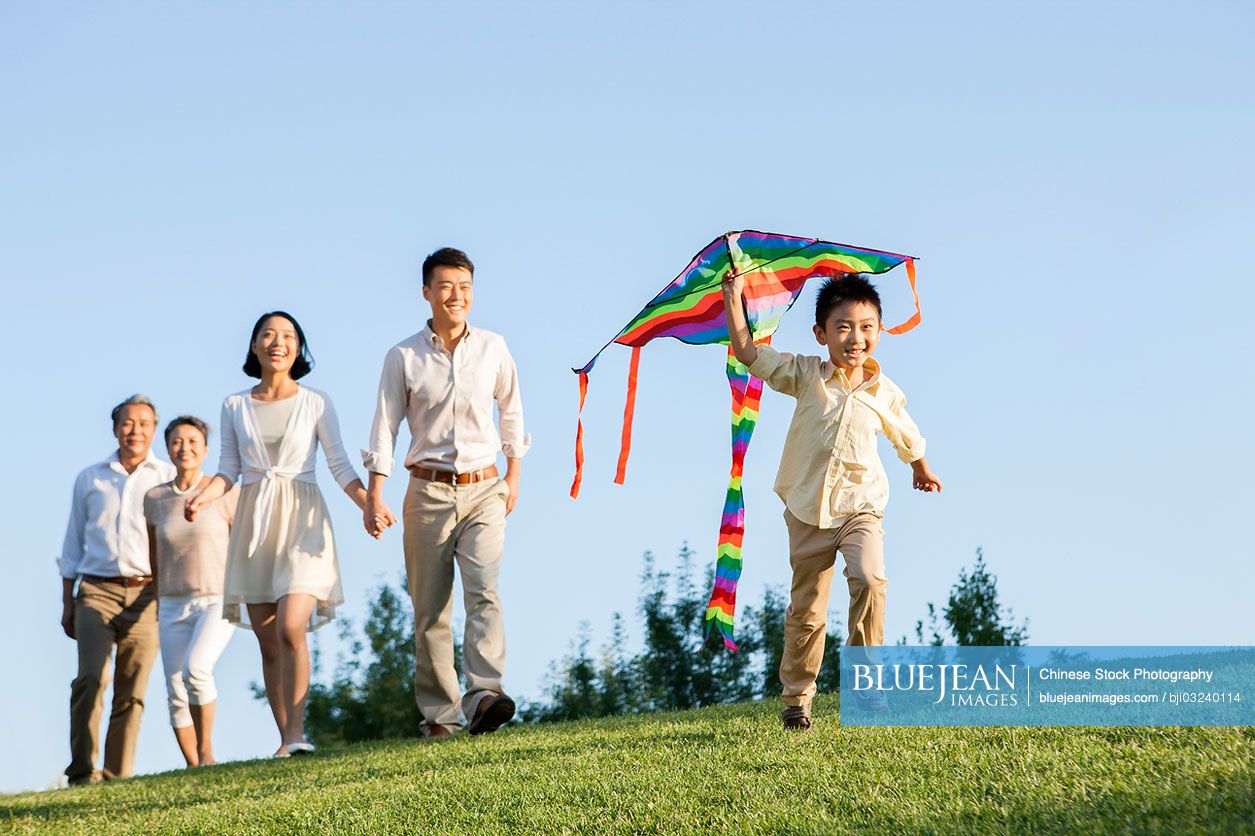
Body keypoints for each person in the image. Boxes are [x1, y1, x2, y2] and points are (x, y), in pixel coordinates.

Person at [721, 269, 943, 730]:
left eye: (866, 327)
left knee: (870, 578)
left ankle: (867, 686)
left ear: (879, 332)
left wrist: (920, 468)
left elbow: (906, 433)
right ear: (821, 333)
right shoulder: (805, 374)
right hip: (806, 511)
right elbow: (748, 354)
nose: (855, 337)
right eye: (843, 327)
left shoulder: (884, 392)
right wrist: (733, 295)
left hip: (860, 508)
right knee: (807, 610)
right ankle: (797, 700)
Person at [185, 311, 383, 757]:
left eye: (289, 336)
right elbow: (228, 470)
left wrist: (369, 504)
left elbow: (338, 464)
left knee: (293, 625)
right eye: (269, 335)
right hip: (255, 525)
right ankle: (284, 739)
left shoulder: (316, 402)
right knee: (268, 639)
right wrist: (203, 497)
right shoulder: (234, 405)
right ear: (254, 347)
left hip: (303, 521)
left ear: (299, 348)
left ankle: (297, 732)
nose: (279, 342)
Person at [362, 246, 529, 738]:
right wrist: (376, 494)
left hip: (484, 489)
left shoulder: (494, 347)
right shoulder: (404, 356)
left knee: (485, 593)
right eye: (446, 287)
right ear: (426, 293)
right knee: (430, 608)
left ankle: (485, 696)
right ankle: (441, 717)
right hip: (426, 491)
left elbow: (512, 410)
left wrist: (513, 475)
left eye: (464, 287)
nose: (456, 296)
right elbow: (384, 427)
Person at [58, 395, 176, 785]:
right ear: (114, 428)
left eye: (144, 423)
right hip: (95, 591)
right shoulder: (90, 478)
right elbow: (73, 544)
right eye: (128, 422)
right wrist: (67, 602)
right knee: (90, 679)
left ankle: (116, 776)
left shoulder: (167, 477)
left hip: (147, 594)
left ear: (154, 430)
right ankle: (81, 771)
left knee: (132, 689)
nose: (135, 430)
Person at [144, 416, 238, 767]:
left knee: (196, 669)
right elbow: (155, 553)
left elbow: (242, 544)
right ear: (168, 448)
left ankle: (206, 752)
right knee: (174, 690)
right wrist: (156, 598)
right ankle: (193, 766)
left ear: (206, 449)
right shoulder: (154, 498)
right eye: (177, 442)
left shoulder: (223, 491)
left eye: (193, 441)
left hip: (217, 599)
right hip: (170, 603)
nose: (185, 448)